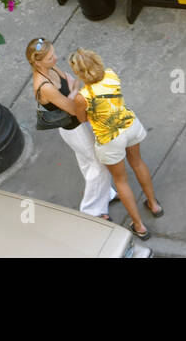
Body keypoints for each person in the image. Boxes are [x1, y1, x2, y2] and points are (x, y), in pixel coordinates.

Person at [68, 48, 162, 240]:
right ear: (98, 62)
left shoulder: (83, 96)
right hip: (130, 126)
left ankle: (139, 226)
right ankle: (154, 205)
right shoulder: (111, 74)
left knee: (121, 181)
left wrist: (73, 95)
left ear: (79, 72)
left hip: (110, 139)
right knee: (137, 163)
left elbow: (82, 119)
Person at [26, 38, 115, 220]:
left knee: (86, 161)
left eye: (54, 54)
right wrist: (75, 92)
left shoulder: (50, 69)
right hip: (74, 129)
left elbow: (72, 81)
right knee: (99, 163)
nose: (56, 59)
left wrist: (73, 93)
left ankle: (106, 194)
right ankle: (92, 210)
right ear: (37, 62)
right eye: (50, 57)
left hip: (76, 124)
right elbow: (74, 106)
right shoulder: (45, 87)